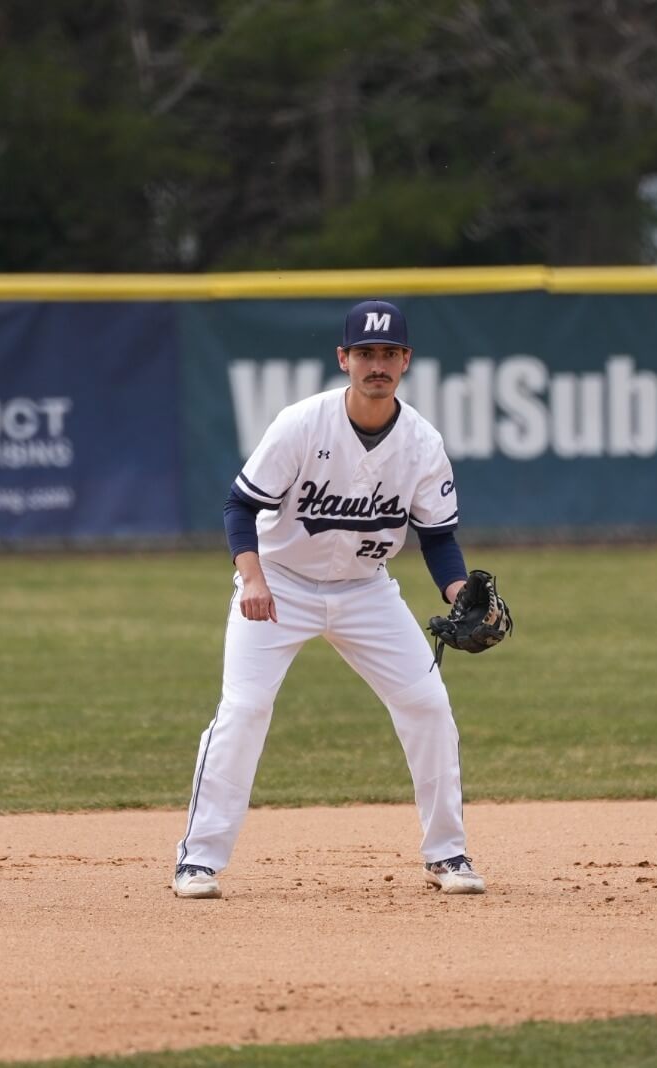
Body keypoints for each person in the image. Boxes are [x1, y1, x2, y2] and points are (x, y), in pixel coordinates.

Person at [172, 299, 486, 898]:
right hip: (280, 584)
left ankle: (447, 854)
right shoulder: (301, 424)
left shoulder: (422, 442)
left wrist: (459, 593)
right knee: (245, 708)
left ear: (406, 361)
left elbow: (438, 538)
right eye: (366, 353)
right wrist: (254, 579)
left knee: (427, 704)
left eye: (388, 353)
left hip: (368, 591)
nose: (378, 364)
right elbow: (240, 507)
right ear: (343, 359)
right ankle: (198, 860)